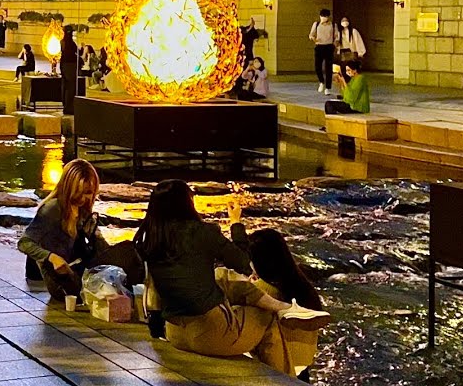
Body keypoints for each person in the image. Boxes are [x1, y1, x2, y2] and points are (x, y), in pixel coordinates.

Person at [134, 180, 330, 377]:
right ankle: (284, 375)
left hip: (176, 334)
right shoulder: (203, 232)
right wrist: (235, 223)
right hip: (210, 334)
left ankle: (283, 308)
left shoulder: (150, 239)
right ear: (186, 203)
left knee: (222, 276)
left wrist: (155, 321)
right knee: (267, 316)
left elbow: (153, 287)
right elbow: (242, 260)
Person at [18, 159, 144, 301]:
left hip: (81, 268)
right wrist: (51, 257)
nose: (84, 198)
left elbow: (101, 246)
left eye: (88, 193)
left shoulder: (83, 211)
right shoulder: (53, 208)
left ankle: (135, 297)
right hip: (62, 281)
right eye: (79, 193)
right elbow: (24, 242)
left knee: (129, 252)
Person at [247, 228, 324, 382]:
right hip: (301, 367)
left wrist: (248, 288)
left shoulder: (260, 292)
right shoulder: (303, 287)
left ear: (257, 261)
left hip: (276, 369)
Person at [308, 9, 338, 96]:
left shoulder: (333, 25)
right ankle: (321, 81)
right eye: (322, 16)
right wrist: (313, 39)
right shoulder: (316, 24)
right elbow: (311, 35)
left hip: (329, 47)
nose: (323, 18)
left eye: (325, 16)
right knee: (317, 66)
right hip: (319, 46)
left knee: (328, 68)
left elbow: (336, 36)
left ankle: (328, 87)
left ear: (328, 17)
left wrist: (335, 43)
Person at [60, 25, 79, 115]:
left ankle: (66, 105)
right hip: (70, 65)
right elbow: (76, 52)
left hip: (64, 65)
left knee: (66, 86)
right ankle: (69, 106)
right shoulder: (70, 43)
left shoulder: (62, 42)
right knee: (71, 87)